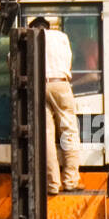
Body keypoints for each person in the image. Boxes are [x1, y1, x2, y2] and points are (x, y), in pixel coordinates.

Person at [34, 16, 80, 194]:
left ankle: (52, 184)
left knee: (46, 135)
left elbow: (11, 59)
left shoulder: (30, 38)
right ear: (47, 26)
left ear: (35, 28)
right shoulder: (61, 37)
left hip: (39, 86)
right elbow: (68, 62)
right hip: (60, 84)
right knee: (68, 131)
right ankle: (70, 180)